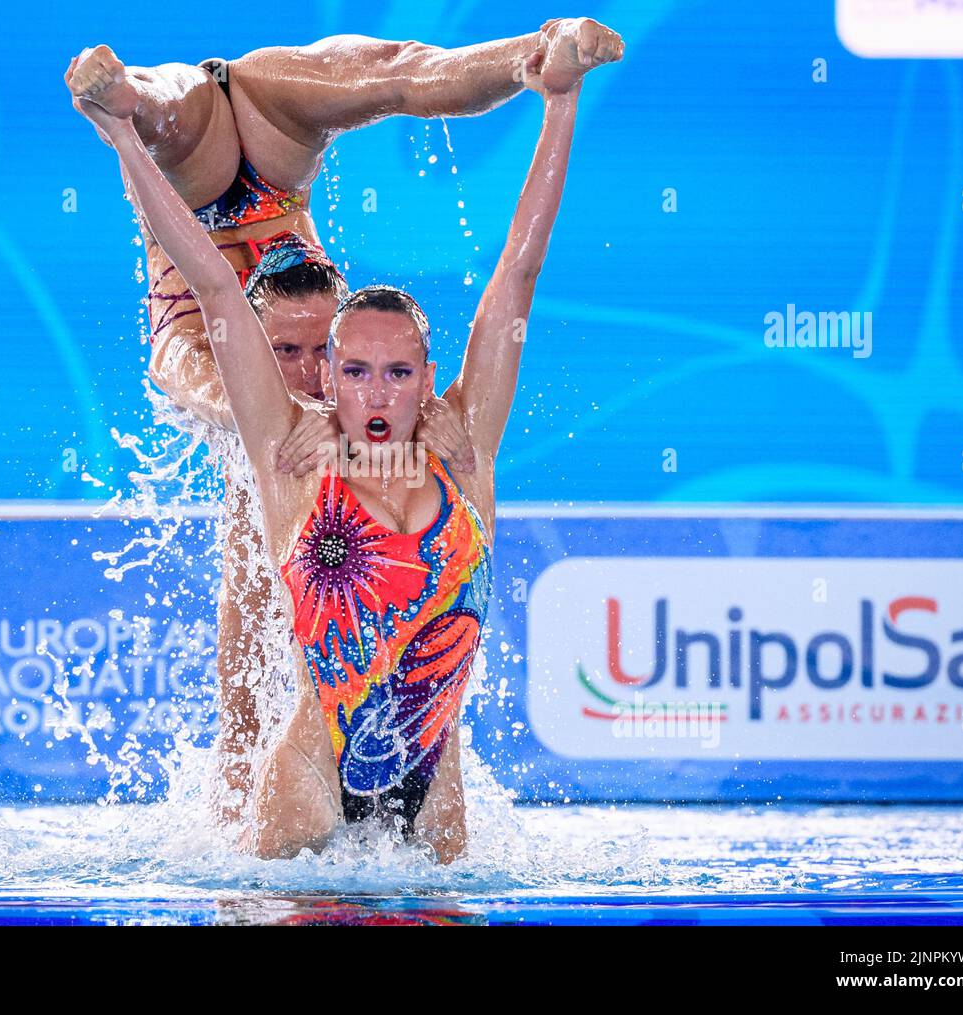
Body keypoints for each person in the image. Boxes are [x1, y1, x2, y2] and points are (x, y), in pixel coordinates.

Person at [72, 17, 623, 861]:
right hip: (311, 774)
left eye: (397, 375)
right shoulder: (289, 451)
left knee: (397, 76)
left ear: (428, 374)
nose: (373, 391)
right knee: (167, 113)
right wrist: (118, 131)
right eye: (356, 373)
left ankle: (536, 53)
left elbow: (518, 273)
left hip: (433, 782)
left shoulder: (463, 447)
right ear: (334, 377)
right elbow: (217, 292)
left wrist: (561, 100)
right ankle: (132, 97)